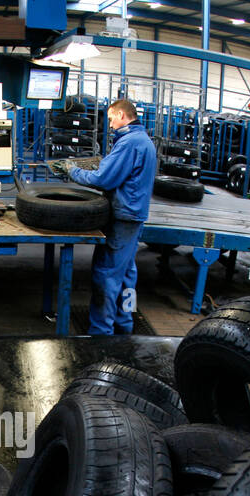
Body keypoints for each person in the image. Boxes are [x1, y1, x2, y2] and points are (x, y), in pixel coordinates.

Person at [52, 98, 157, 335]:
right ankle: (125, 322)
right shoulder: (144, 140)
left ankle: (101, 332)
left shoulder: (129, 143)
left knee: (107, 275)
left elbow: (103, 179)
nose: (109, 125)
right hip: (136, 215)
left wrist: (72, 170)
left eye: (111, 119)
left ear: (121, 115)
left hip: (123, 218)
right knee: (128, 273)